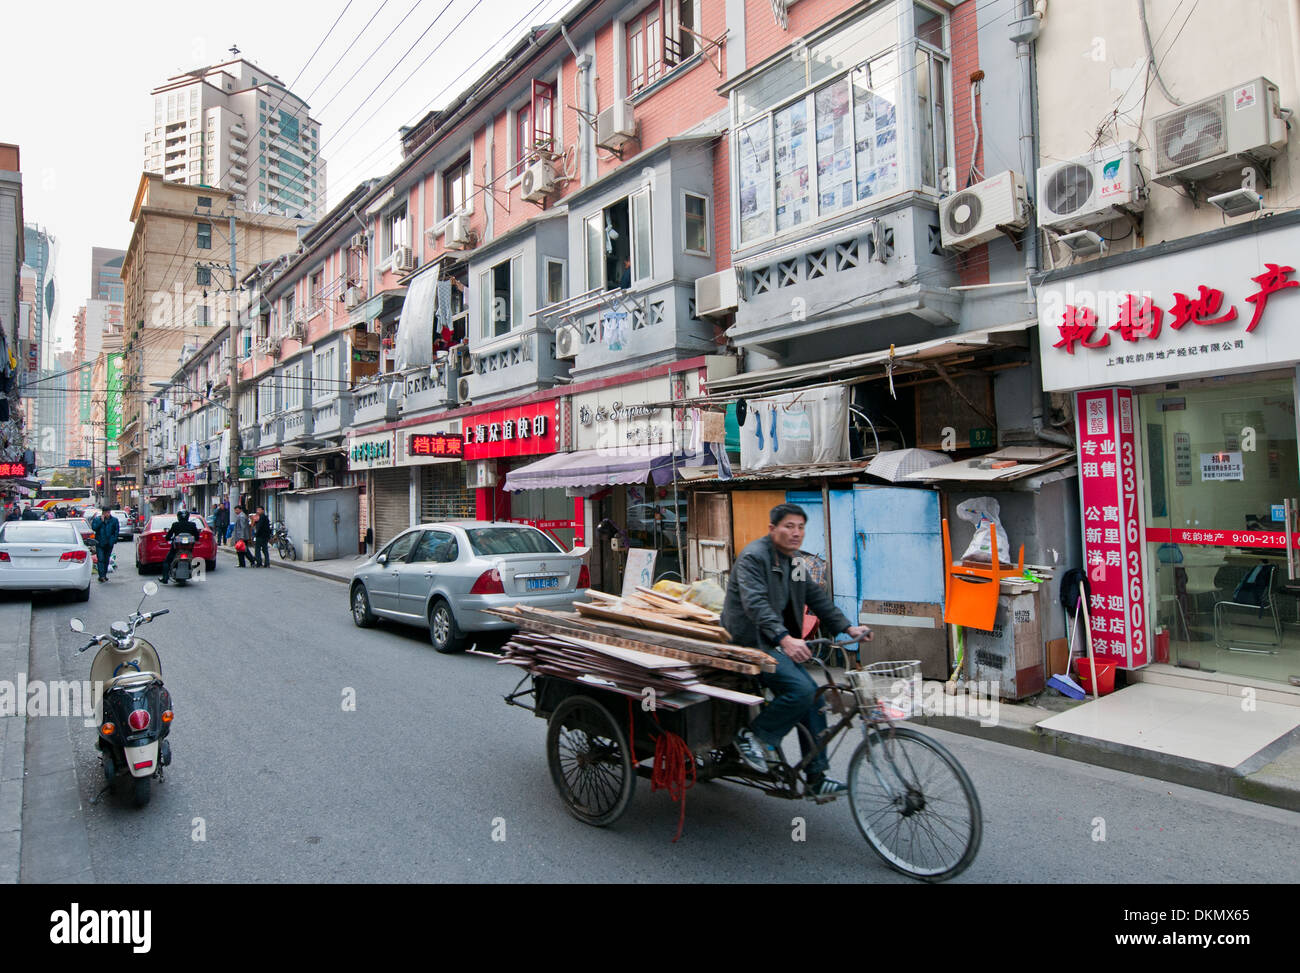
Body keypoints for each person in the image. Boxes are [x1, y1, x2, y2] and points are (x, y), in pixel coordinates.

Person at [721, 502, 872, 798]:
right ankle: (753, 736)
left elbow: (816, 598)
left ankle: (815, 776)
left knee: (813, 696)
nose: (796, 533)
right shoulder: (754, 558)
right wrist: (785, 638)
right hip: (749, 642)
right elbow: (756, 605)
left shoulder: (794, 563)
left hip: (774, 641)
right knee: (801, 690)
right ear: (772, 529)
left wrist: (847, 627)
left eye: (801, 527)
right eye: (789, 526)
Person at [160, 507, 197, 584]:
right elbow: (197, 536)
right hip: (188, 550)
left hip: (176, 549)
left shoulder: (175, 525)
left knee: (167, 561)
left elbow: (168, 536)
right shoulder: (192, 525)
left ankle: (165, 578)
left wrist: (167, 539)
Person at [90, 504, 120, 583]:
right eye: (105, 512)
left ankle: (104, 575)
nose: (107, 514)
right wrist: (101, 521)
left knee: (106, 559)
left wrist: (113, 540)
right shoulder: (97, 519)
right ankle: (101, 576)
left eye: (108, 512)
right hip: (100, 543)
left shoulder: (114, 520)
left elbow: (116, 531)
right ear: (103, 513)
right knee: (101, 559)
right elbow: (94, 528)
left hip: (109, 543)